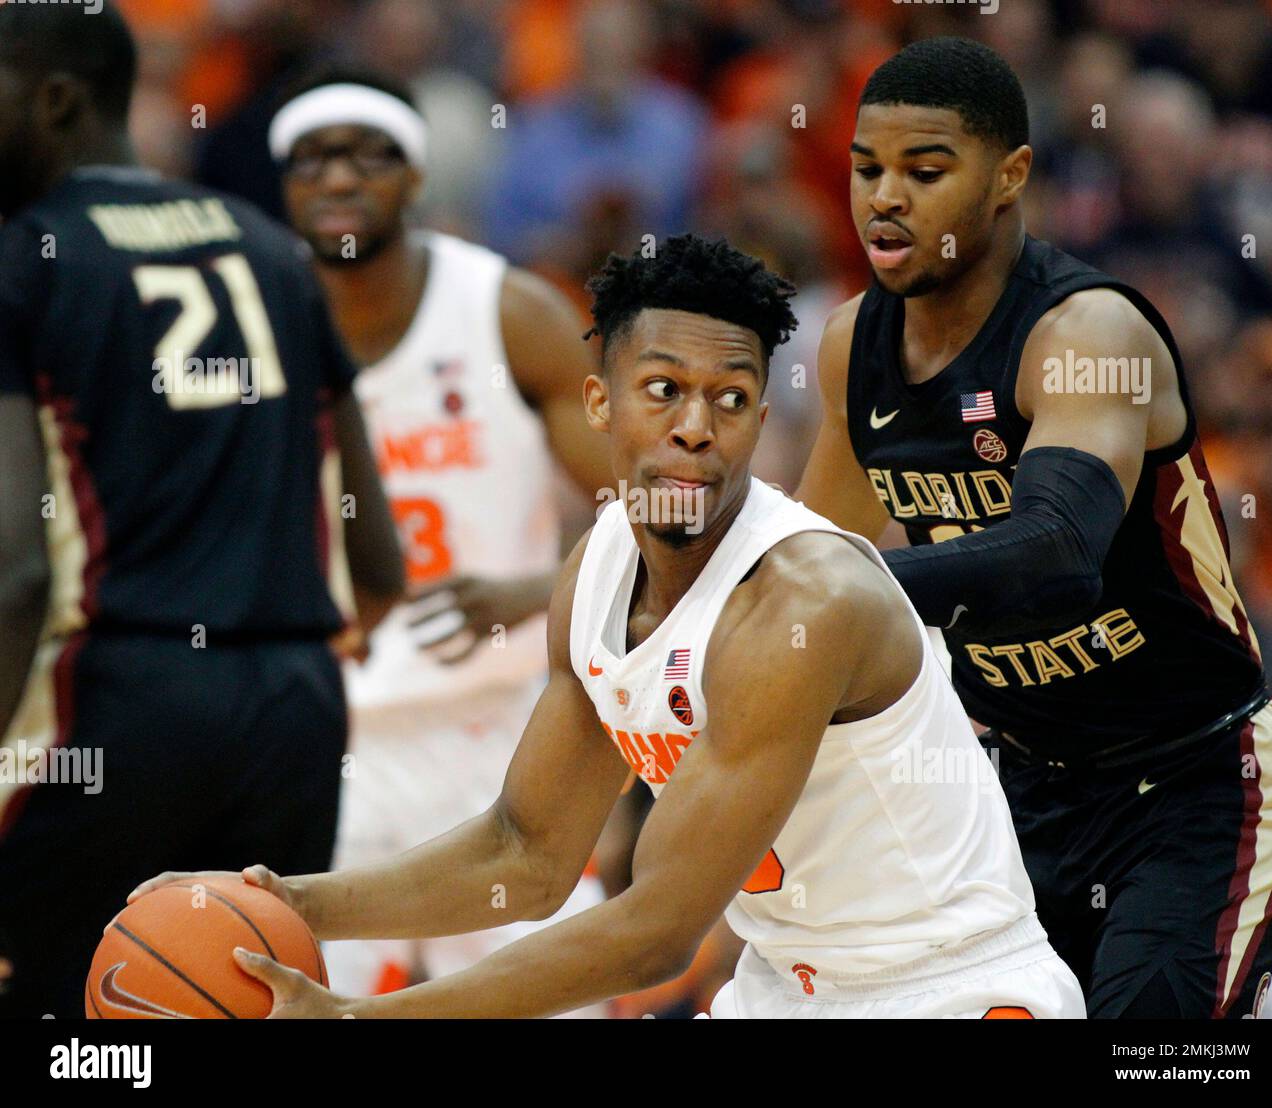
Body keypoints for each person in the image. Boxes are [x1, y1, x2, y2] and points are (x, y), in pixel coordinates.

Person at [130, 234, 1084, 1020]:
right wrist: (285, 902)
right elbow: (527, 855)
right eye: (663, 388)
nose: (696, 426)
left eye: (731, 398)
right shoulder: (597, 566)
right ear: (600, 403)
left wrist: (359, 1019)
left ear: (758, 417)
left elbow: (656, 930)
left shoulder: (804, 602)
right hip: (787, 991)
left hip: (948, 992)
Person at [794, 36, 1272, 1018]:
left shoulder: (1087, 332)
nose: (882, 197)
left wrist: (825, 587)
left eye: (924, 170)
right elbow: (804, 558)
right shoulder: (853, 345)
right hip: (1020, 788)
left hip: (1199, 779)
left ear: (1008, 177)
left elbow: (1056, 554)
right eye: (865, 170)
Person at [0, 3, 404, 1019]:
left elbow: (14, 567)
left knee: (67, 1025)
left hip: (115, 702)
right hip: (298, 709)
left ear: (53, 98)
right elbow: (380, 560)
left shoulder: (26, 257)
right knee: (243, 1010)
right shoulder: (271, 247)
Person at [271, 67, 611, 1002]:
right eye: (313, 159)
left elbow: (662, 510)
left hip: (502, 738)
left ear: (417, 178)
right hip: (332, 743)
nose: (340, 177)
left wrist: (535, 592)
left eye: (368, 154)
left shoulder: (510, 310)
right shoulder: (259, 327)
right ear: (286, 187)